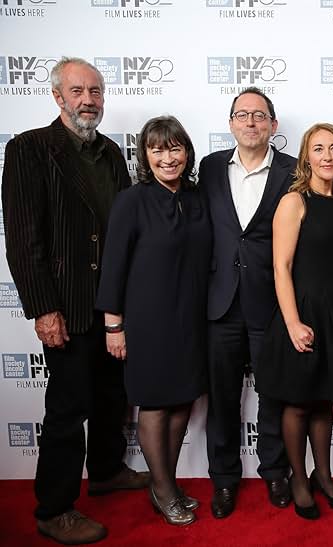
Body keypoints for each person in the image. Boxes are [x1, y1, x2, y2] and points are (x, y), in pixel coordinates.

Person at [1, 57, 148, 545]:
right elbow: (24, 239)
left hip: (110, 306)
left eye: (96, 91)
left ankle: (105, 471)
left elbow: (125, 229)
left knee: (112, 397)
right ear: (58, 97)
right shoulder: (29, 149)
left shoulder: (109, 151)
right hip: (64, 305)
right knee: (68, 409)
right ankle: (54, 507)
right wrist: (43, 308)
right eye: (79, 91)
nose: (89, 100)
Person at [96, 116, 211, 526]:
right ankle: (162, 490)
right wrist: (114, 326)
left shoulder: (197, 197)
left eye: (175, 148)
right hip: (148, 321)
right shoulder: (132, 201)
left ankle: (169, 481)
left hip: (191, 319)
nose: (168, 157)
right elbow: (113, 267)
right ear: (145, 155)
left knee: (183, 399)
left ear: (187, 152)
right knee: (156, 404)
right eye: (157, 149)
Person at [255, 123, 333, 520]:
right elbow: (281, 267)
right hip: (302, 312)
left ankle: (324, 476)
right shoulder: (294, 202)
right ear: (306, 157)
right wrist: (292, 323)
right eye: (318, 148)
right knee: (298, 403)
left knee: (323, 401)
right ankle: (299, 481)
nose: (327, 156)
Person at [198, 87, 295, 518]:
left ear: (273, 126)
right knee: (222, 399)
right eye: (242, 114)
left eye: (259, 115)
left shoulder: (294, 171)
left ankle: (275, 471)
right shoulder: (210, 167)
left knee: (273, 393)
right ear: (231, 123)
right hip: (220, 304)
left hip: (271, 303)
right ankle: (223, 479)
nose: (251, 122)